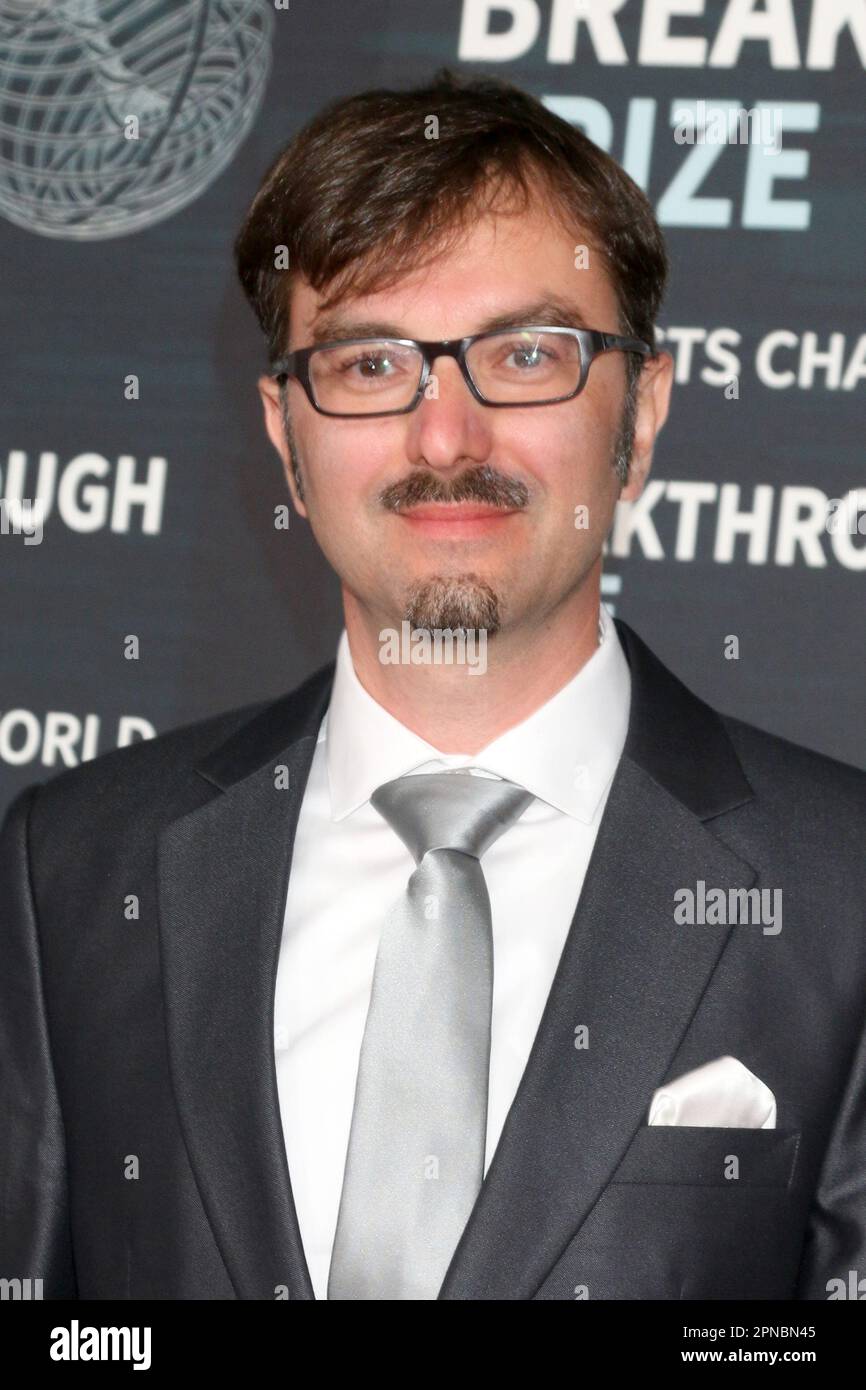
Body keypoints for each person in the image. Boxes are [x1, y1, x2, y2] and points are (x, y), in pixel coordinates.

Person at [2, 68, 864, 1302]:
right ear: (283, 436)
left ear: (643, 416)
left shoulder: (840, 895)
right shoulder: (73, 876)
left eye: (524, 353)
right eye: (366, 364)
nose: (446, 435)